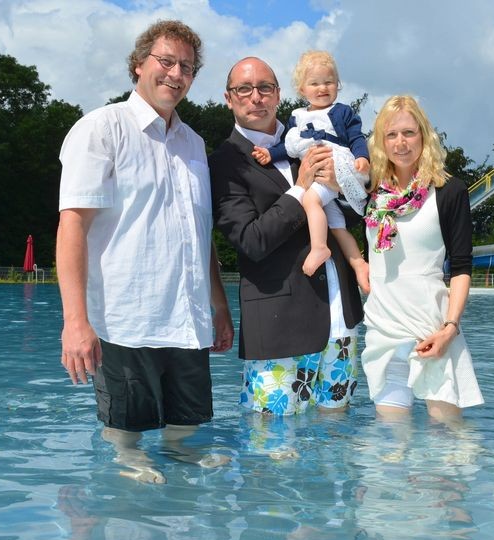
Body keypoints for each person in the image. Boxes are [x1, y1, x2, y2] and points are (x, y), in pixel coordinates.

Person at [56, 20, 233, 484]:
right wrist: (75, 321)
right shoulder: (101, 128)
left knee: (187, 420)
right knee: (126, 427)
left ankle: (180, 452)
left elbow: (200, 233)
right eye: (166, 61)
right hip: (125, 315)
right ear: (139, 64)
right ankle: (127, 459)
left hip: (187, 314)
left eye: (187, 68)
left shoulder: (194, 144)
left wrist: (218, 305)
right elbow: (72, 226)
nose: (176, 74)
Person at [209, 57, 364, 416]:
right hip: (278, 326)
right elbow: (251, 241)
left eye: (265, 88)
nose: (256, 97)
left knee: (336, 436)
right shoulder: (222, 162)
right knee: (270, 443)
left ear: (278, 94)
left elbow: (356, 214)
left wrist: (344, 187)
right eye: (244, 89)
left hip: (340, 318)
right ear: (228, 98)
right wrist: (300, 188)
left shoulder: (310, 135)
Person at [361, 95, 483, 422]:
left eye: (408, 133)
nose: (400, 143)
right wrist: (357, 263)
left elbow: (461, 267)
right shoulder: (370, 194)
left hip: (432, 328)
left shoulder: (449, 190)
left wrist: (450, 328)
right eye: (391, 134)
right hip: (383, 327)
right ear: (381, 141)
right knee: (389, 441)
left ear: (424, 136)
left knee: (447, 439)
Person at [253, 51, 370, 292]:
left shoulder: (342, 112)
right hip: (318, 174)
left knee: (309, 199)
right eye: (315, 83)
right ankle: (359, 264)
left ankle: (319, 247)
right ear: (302, 89)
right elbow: (289, 147)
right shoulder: (297, 117)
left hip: (336, 165)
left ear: (337, 84)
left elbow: (357, 137)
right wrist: (271, 154)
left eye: (328, 82)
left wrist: (362, 157)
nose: (322, 88)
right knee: (337, 226)